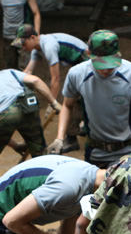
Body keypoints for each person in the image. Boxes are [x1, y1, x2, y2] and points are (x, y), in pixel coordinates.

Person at [48, 29, 131, 168]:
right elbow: (67, 105)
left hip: (128, 150)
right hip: (96, 151)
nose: (106, 69)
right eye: (101, 64)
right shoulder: (77, 74)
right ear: (89, 54)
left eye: (111, 62)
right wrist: (60, 138)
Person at [0, 68, 60, 188]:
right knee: (38, 148)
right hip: (28, 105)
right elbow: (36, 81)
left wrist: (14, 145)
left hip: (4, 113)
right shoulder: (8, 72)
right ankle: (51, 181)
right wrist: (54, 103)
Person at [14, 23, 89, 153]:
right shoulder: (36, 49)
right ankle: (84, 126)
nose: (23, 47)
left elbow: (55, 79)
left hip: (85, 59)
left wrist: (52, 103)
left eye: (24, 43)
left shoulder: (48, 46)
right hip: (76, 63)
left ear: (32, 37)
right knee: (79, 96)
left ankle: (71, 138)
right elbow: (27, 72)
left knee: (75, 98)